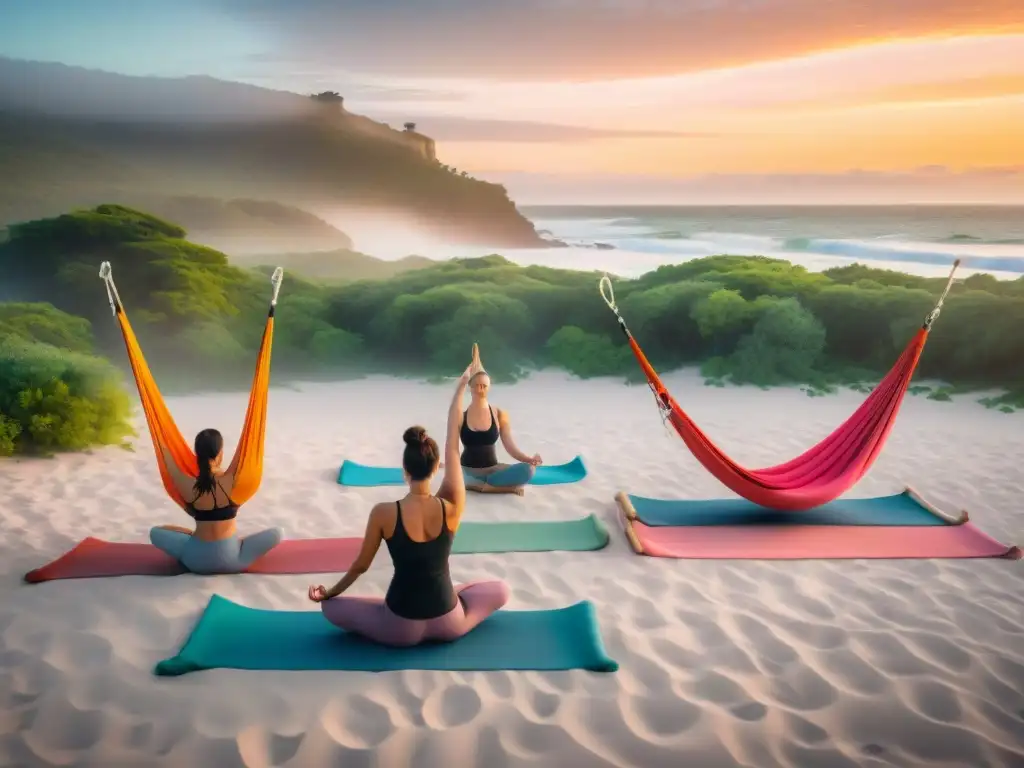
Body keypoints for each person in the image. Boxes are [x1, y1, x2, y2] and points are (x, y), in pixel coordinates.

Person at [308, 365, 511, 647]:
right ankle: (455, 592)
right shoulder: (451, 507)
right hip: (449, 621)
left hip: (399, 627)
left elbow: (360, 567)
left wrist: (329, 593)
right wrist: (462, 384)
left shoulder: (383, 513)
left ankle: (429, 600)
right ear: (435, 468)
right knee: (501, 590)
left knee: (332, 608)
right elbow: (454, 443)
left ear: (405, 470)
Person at [148, 428, 283, 574]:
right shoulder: (232, 482)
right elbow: (243, 456)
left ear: (197, 455)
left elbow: (166, 455)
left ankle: (191, 536)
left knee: (155, 532)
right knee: (278, 533)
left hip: (195, 560)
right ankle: (231, 542)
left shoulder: (186, 484)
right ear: (220, 454)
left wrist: (156, 423)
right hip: (232, 559)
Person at [460, 343, 542, 495]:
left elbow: (509, 446)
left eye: (484, 386)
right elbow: (451, 447)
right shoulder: (461, 415)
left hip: (493, 470)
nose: (480, 389)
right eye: (476, 385)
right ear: (470, 387)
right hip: (468, 472)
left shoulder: (499, 414)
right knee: (459, 478)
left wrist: (528, 459)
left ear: (489, 387)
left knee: (528, 470)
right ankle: (497, 487)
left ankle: (487, 486)